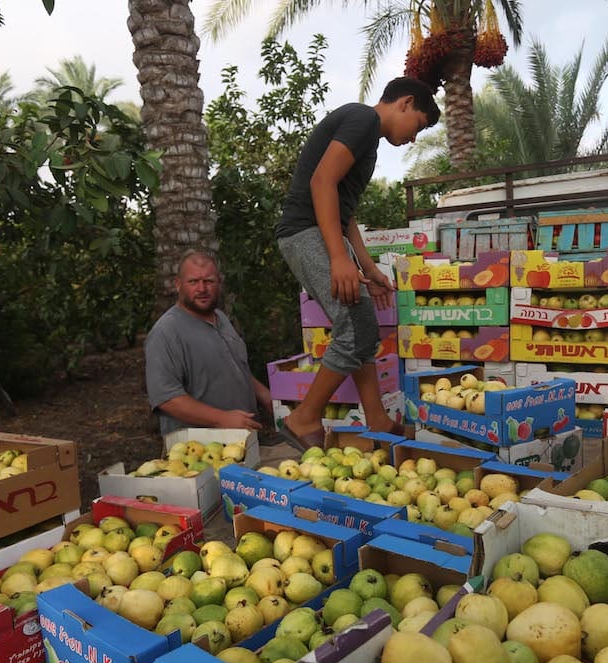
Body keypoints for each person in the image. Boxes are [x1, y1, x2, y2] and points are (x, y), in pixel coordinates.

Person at [274, 76, 440, 450]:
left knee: (364, 324)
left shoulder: (368, 138)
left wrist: (366, 266)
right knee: (352, 327)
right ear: (405, 103)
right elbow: (321, 183)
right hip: (305, 232)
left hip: (322, 233)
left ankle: (378, 419)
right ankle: (303, 418)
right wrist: (337, 258)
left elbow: (344, 212)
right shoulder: (362, 119)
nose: (414, 137)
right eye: (419, 125)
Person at [145, 247, 272, 438]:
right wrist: (221, 419)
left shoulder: (220, 318)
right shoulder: (166, 333)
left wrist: (266, 397)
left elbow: (235, 367)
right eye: (193, 282)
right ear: (178, 284)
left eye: (209, 281)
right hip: (200, 452)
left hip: (243, 442)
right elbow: (167, 398)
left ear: (219, 283)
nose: (202, 289)